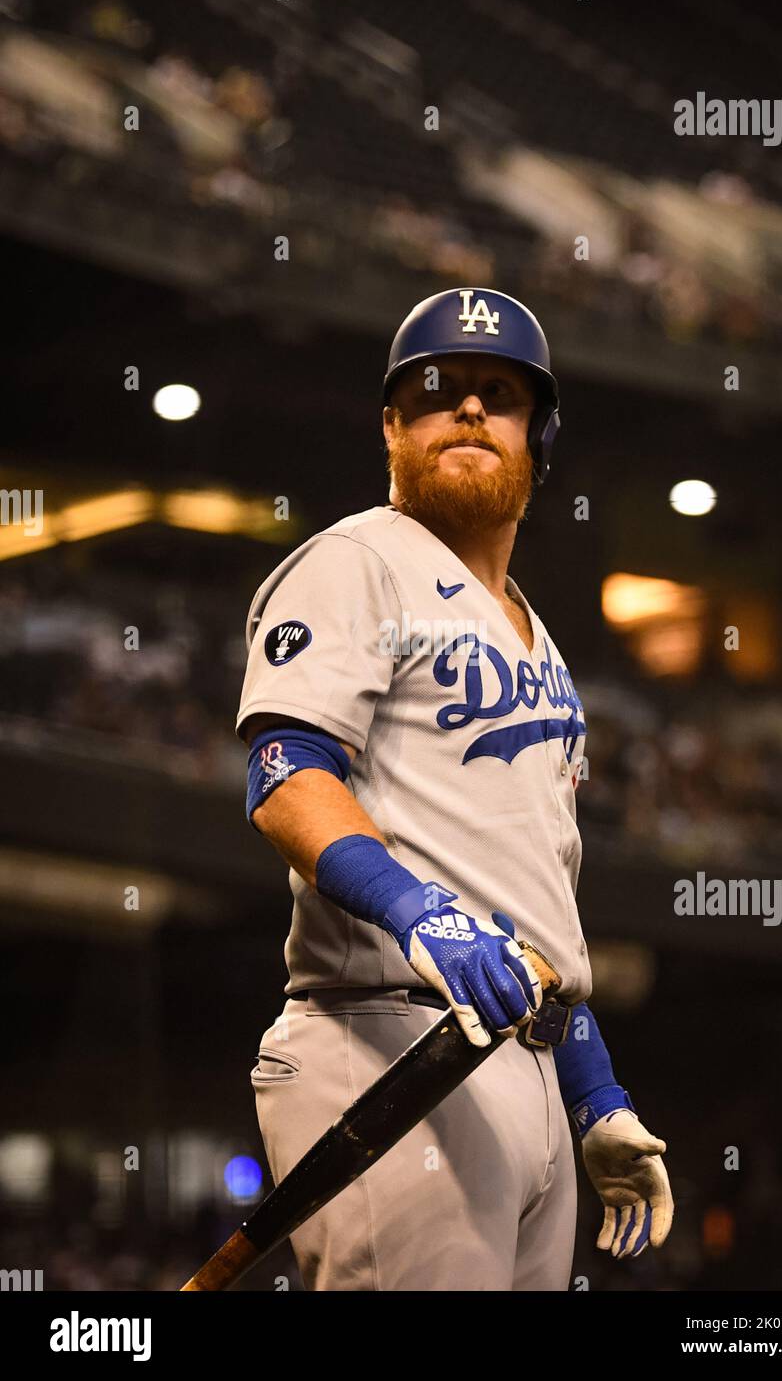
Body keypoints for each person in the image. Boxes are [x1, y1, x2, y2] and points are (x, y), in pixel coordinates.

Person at [237, 287, 673, 1291]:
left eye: (498, 394)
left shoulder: (538, 637)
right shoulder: (356, 562)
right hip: (387, 1043)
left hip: (525, 1075)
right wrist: (417, 911)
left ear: (538, 435)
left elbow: (533, 904)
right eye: (436, 392)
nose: (469, 410)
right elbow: (284, 776)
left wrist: (594, 1093)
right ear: (391, 426)